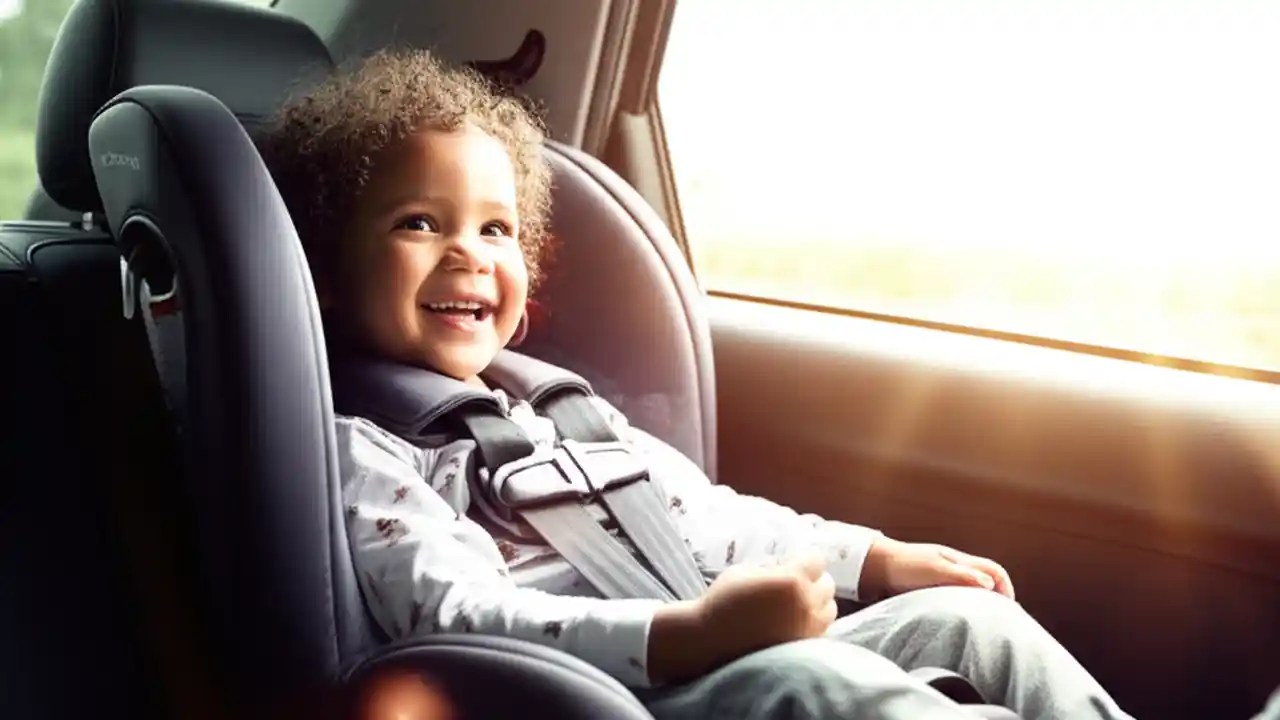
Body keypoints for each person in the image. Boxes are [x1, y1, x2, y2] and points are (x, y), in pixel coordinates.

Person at [257, 49, 1134, 720]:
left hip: (702, 646)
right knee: (821, 681)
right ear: (327, 268)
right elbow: (452, 618)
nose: (469, 254)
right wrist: (689, 636)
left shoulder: (562, 411)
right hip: (604, 692)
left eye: (496, 229)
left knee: (968, 625)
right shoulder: (359, 449)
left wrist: (875, 560)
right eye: (419, 223)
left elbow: (711, 519)